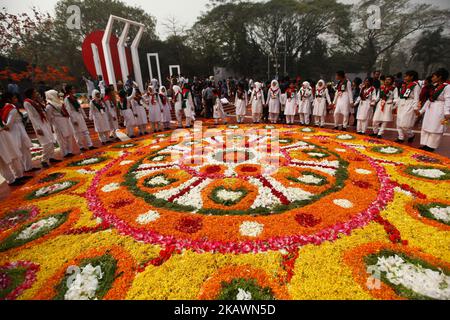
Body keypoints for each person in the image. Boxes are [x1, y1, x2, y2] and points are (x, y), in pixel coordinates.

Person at [23, 88, 59, 167]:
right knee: (46, 142)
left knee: (51, 140)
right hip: (39, 124)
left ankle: (51, 157)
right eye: (35, 92)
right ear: (31, 93)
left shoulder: (35, 101)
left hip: (44, 122)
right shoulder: (27, 103)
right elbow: (31, 116)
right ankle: (44, 160)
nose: (36, 93)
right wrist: (37, 128)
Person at [0, 93, 35, 172]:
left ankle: (26, 168)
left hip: (14, 129)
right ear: (9, 99)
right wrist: (6, 126)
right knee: (22, 149)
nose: (16, 99)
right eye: (14, 98)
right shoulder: (12, 108)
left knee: (20, 149)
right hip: (16, 129)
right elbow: (9, 122)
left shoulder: (6, 107)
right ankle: (25, 168)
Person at [418, 68, 450, 152]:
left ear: (440, 77)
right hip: (430, 108)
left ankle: (431, 146)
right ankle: (426, 144)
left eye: (434, 76)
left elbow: (448, 99)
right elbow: (429, 99)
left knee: (435, 127)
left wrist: (447, 112)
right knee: (427, 126)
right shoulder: (434, 86)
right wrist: (422, 111)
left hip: (440, 109)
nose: (432, 78)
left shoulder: (447, 87)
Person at [45, 90, 76, 157]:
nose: (58, 96)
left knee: (69, 136)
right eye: (56, 94)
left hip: (65, 121)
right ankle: (65, 153)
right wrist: (50, 126)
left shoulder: (60, 103)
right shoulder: (49, 106)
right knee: (61, 139)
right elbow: (49, 117)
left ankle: (70, 151)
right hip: (58, 122)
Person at [64, 85, 94, 151]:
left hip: (79, 115)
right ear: (69, 90)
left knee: (85, 131)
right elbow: (69, 110)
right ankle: (81, 147)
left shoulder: (74, 97)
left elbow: (79, 107)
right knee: (77, 133)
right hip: (74, 116)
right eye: (72, 88)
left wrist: (85, 116)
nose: (74, 89)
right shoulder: (67, 99)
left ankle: (90, 145)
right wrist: (73, 119)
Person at [396, 70, 420, 143]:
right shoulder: (404, 85)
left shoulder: (415, 86)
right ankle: (400, 137)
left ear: (411, 77)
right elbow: (400, 96)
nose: (405, 77)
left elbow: (416, 97)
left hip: (410, 104)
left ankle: (411, 135)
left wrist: (415, 107)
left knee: (405, 124)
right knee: (399, 122)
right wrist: (396, 104)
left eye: (406, 76)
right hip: (401, 103)